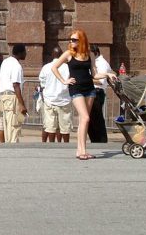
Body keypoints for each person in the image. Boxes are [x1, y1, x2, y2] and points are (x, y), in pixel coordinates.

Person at [51, 28, 107, 160]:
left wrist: (108, 74)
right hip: (76, 89)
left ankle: (81, 150)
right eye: (70, 39)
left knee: (84, 120)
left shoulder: (88, 54)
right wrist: (64, 80)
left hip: (90, 89)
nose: (71, 42)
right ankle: (81, 151)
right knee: (85, 118)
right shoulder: (68, 54)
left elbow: (94, 74)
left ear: (81, 40)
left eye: (74, 39)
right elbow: (54, 67)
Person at [38, 47, 73, 143]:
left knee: (50, 127)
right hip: (64, 100)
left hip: (50, 100)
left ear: (52, 55)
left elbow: (42, 83)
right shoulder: (68, 67)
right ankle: (66, 145)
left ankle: (52, 145)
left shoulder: (46, 67)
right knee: (65, 128)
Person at [0, 43, 27, 143]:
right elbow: (16, 85)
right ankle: (13, 149)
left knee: (6, 126)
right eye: (24, 51)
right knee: (14, 127)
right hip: (11, 98)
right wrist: (22, 104)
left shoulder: (5, 62)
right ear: (20, 53)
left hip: (3, 97)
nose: (26, 53)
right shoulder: (16, 65)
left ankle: (7, 147)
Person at [88, 44, 112, 144]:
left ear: (95, 53)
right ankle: (95, 140)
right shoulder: (94, 62)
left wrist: (86, 79)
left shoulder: (101, 63)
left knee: (97, 118)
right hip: (92, 92)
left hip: (97, 92)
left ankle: (101, 141)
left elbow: (100, 81)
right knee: (90, 119)